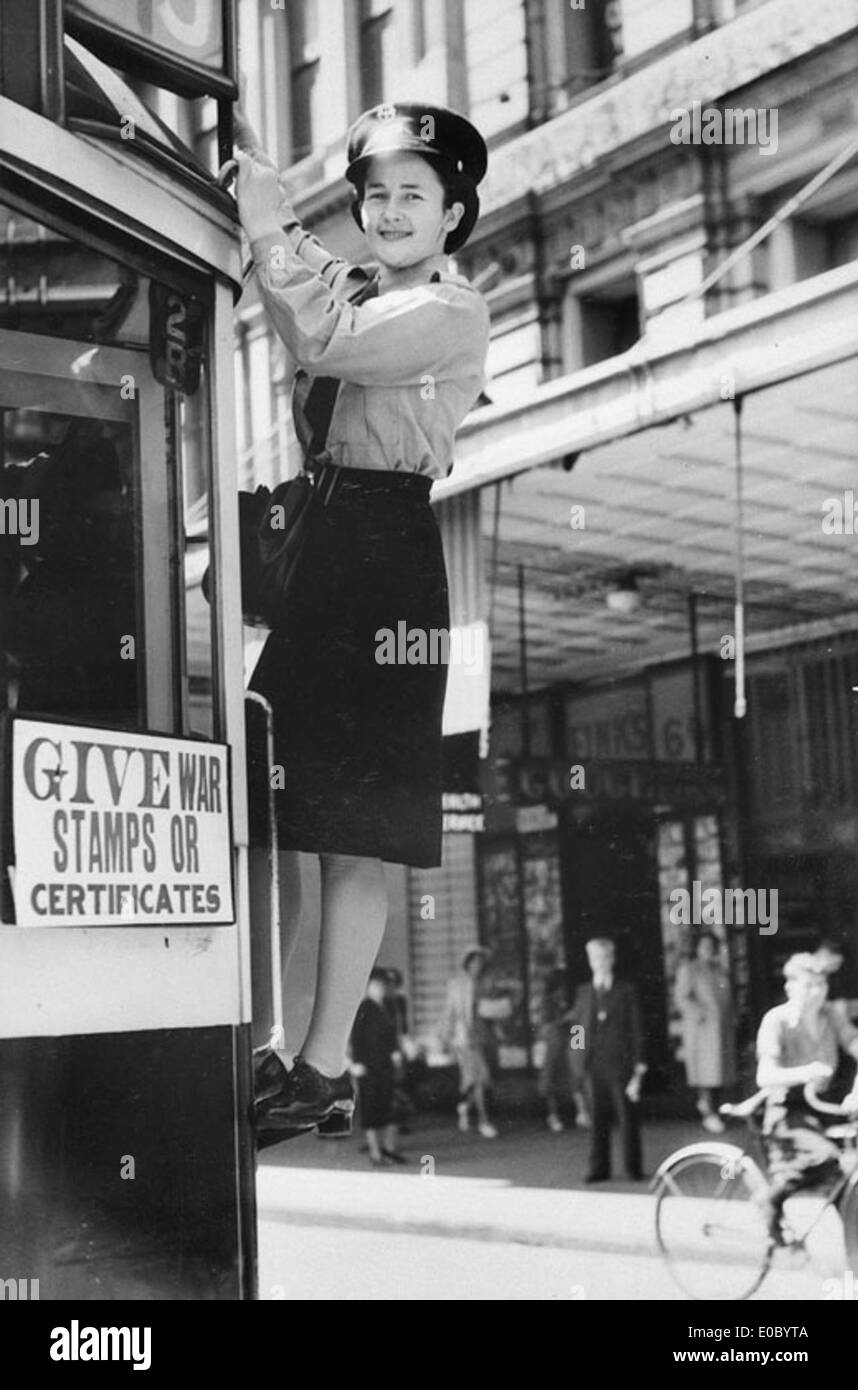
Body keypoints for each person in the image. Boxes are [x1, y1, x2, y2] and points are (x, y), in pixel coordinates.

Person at [234, 103, 490, 1137]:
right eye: (375, 193)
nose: (386, 211)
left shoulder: (448, 310)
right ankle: (275, 1046)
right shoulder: (371, 287)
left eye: (411, 196)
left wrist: (267, 228)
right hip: (329, 544)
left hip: (384, 553)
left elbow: (326, 333)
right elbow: (321, 300)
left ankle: (324, 1063)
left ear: (454, 215)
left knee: (355, 834)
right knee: (284, 808)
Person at [756, 952, 858, 1245]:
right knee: (826, 1157)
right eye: (809, 985)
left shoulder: (831, 1016)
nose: (817, 992)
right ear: (791, 987)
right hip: (788, 1110)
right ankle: (770, 1200)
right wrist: (805, 1072)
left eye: (821, 985)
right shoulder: (777, 1021)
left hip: (823, 1107)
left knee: (845, 1180)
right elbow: (765, 1076)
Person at [569, 937, 647, 1182]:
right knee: (597, 1119)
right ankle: (598, 1168)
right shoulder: (583, 992)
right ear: (590, 962)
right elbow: (577, 1029)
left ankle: (633, 1167)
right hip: (593, 1065)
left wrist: (639, 1063)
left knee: (626, 1117)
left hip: (620, 1064)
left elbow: (636, 1028)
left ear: (612, 959)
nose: (600, 963)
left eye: (604, 958)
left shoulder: (625, 991)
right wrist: (577, 1060)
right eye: (595, 958)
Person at [674, 932, 736, 1133]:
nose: (708, 951)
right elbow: (681, 998)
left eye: (712, 947)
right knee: (705, 1073)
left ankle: (713, 1109)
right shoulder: (690, 970)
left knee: (718, 1073)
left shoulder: (720, 971)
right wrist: (699, 1012)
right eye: (704, 946)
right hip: (702, 1031)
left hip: (720, 1030)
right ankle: (709, 1112)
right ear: (697, 949)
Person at [438, 948, 498, 1139]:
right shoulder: (457, 984)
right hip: (465, 1038)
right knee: (481, 1078)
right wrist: (445, 1036)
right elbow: (450, 1011)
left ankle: (464, 1106)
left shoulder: (487, 983)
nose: (477, 966)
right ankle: (484, 1121)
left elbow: (494, 1009)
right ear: (468, 963)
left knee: (473, 1079)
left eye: (481, 963)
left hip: (484, 1036)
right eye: (474, 962)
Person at [350, 968, 405, 1166]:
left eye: (382, 984)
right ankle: (375, 1152)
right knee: (371, 1108)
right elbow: (356, 1038)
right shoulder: (364, 1008)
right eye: (376, 984)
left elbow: (393, 1035)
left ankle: (389, 1149)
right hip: (367, 1065)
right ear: (368, 986)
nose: (380, 988)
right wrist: (355, 1063)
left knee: (390, 1106)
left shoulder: (388, 1006)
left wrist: (396, 1052)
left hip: (386, 1064)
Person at [538, 968, 591, 1132]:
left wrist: (579, 1045)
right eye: (560, 987)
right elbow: (545, 1028)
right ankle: (553, 1116)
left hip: (571, 1040)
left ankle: (582, 1113)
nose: (563, 991)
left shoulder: (573, 1000)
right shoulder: (547, 1003)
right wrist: (564, 1019)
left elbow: (579, 1028)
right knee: (551, 1078)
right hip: (555, 1043)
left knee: (576, 1075)